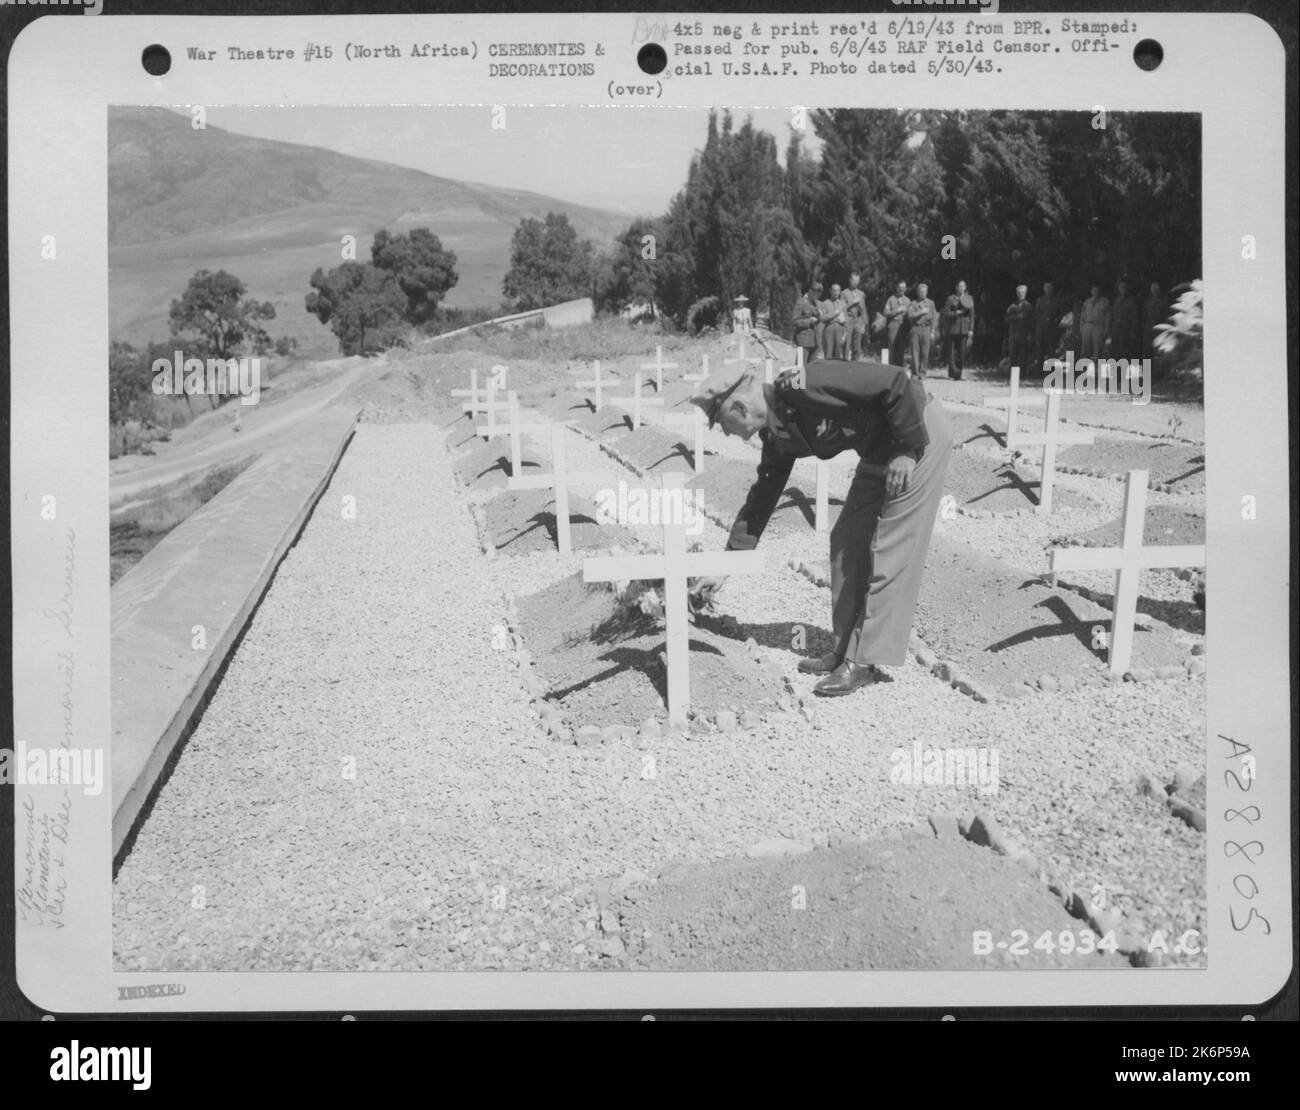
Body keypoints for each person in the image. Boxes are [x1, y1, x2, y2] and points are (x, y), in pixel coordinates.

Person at [685, 358, 952, 697]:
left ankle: (863, 662)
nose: (726, 433)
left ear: (738, 408)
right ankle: (843, 651)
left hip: (915, 432)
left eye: (723, 424)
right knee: (846, 539)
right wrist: (727, 564)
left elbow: (897, 382)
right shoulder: (777, 434)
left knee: (891, 546)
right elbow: (763, 496)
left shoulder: (807, 384)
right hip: (878, 448)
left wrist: (906, 448)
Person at [941, 280, 975, 380]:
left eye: (963, 286)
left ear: (965, 288)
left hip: (964, 329)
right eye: (959, 286)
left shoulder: (969, 299)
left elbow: (972, 315)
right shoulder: (950, 299)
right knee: (951, 353)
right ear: (956, 287)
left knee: (962, 354)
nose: (961, 288)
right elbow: (945, 313)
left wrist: (971, 329)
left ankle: (958, 374)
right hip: (952, 329)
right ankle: (952, 374)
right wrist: (957, 313)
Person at [907, 283, 937, 378]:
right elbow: (910, 316)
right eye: (921, 292)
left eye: (924, 291)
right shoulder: (913, 303)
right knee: (915, 352)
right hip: (915, 329)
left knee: (925, 352)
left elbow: (934, 317)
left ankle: (923, 373)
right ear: (918, 292)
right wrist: (921, 312)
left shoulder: (931, 303)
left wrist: (932, 331)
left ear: (927, 292)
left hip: (927, 329)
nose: (923, 293)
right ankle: (915, 373)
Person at [1004, 284, 1035, 374]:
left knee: (1023, 354)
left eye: (1023, 292)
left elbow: (1032, 322)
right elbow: (1006, 319)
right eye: (1019, 293)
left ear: (1025, 293)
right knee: (1013, 354)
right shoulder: (1012, 306)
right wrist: (1016, 317)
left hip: (1024, 333)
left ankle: (1023, 373)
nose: (1021, 294)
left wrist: (1030, 334)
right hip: (1013, 333)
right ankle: (1013, 373)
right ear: (1017, 294)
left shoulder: (1029, 306)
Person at [791, 281, 821, 366]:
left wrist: (818, 316)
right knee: (800, 366)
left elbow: (817, 320)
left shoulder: (815, 303)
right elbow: (794, 321)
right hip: (803, 340)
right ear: (810, 291)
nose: (817, 296)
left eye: (818, 294)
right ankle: (797, 380)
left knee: (811, 369)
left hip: (814, 340)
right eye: (816, 294)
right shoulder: (801, 302)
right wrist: (809, 321)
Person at [1110, 279, 1141, 360]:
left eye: (1124, 287)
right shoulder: (1116, 300)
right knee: (1114, 350)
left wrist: (1133, 330)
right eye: (1121, 287)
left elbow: (1135, 316)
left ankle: (1124, 370)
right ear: (1118, 288)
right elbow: (1112, 314)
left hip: (1125, 327)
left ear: (1127, 288)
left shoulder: (1131, 300)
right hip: (1116, 327)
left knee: (1124, 350)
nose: (1122, 289)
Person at [883, 281, 911, 367]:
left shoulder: (907, 300)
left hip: (903, 326)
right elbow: (885, 313)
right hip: (893, 324)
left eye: (904, 287)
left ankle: (900, 368)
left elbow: (910, 315)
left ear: (905, 289)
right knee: (892, 346)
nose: (902, 289)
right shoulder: (891, 299)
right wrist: (897, 311)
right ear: (897, 288)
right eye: (900, 287)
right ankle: (891, 367)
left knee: (901, 348)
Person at [1033, 281, 1061, 367]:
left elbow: (1060, 313)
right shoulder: (1040, 300)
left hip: (1052, 327)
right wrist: (1041, 320)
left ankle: (1050, 370)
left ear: (1052, 289)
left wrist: (1056, 321)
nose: (1048, 289)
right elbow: (1036, 313)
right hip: (1041, 327)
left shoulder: (1057, 300)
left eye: (1050, 287)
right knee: (1040, 348)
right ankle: (1039, 370)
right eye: (1046, 287)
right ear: (1044, 289)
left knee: (1051, 348)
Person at [1079, 284, 1111, 359]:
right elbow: (1082, 316)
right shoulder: (1087, 301)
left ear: (1099, 291)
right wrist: (1081, 328)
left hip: (1099, 326)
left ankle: (1096, 367)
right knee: (1085, 348)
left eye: (1097, 290)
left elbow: (1108, 317)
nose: (1095, 292)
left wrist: (1106, 329)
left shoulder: (1105, 302)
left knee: (1098, 348)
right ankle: (1084, 365)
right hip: (1087, 325)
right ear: (1091, 292)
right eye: (1093, 290)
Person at [842, 272, 869, 360]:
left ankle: (855, 364)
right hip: (848, 320)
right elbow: (842, 308)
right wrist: (852, 303)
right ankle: (845, 364)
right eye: (854, 280)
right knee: (847, 344)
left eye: (857, 281)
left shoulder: (861, 294)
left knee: (857, 346)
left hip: (858, 321)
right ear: (850, 280)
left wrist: (864, 324)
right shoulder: (844, 293)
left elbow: (864, 310)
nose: (855, 283)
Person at [820, 283, 848, 361]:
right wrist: (833, 314)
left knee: (838, 355)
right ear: (830, 291)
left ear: (840, 292)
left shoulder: (842, 304)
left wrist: (845, 335)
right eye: (834, 290)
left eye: (838, 291)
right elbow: (822, 318)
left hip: (840, 330)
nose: (836, 293)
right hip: (829, 330)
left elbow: (846, 321)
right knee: (828, 356)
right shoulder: (825, 303)